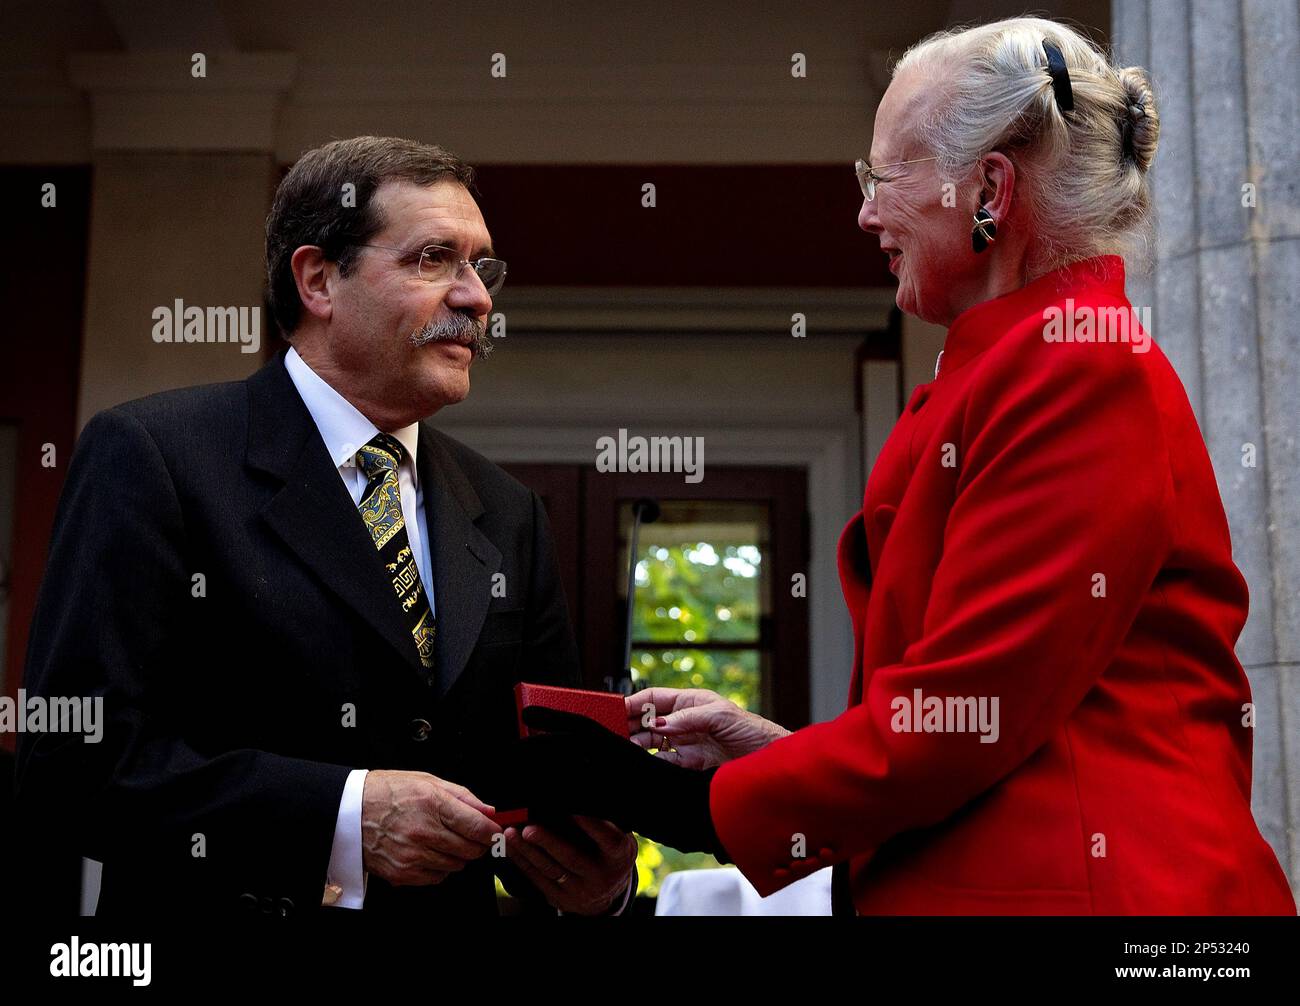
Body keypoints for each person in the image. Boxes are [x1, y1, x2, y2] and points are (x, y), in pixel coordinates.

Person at [505, 17, 1297, 915]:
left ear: (988, 189)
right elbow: (993, 712)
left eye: (884, 176)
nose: (866, 211)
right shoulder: (1029, 364)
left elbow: (972, 709)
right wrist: (775, 756)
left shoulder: (1077, 367)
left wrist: (679, 803)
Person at [15, 136, 637, 917]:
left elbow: (539, 784)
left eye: (483, 266)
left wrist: (600, 884)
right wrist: (344, 818)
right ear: (317, 280)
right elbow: (71, 768)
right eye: (434, 258)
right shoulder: (156, 457)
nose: (477, 297)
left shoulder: (506, 509)